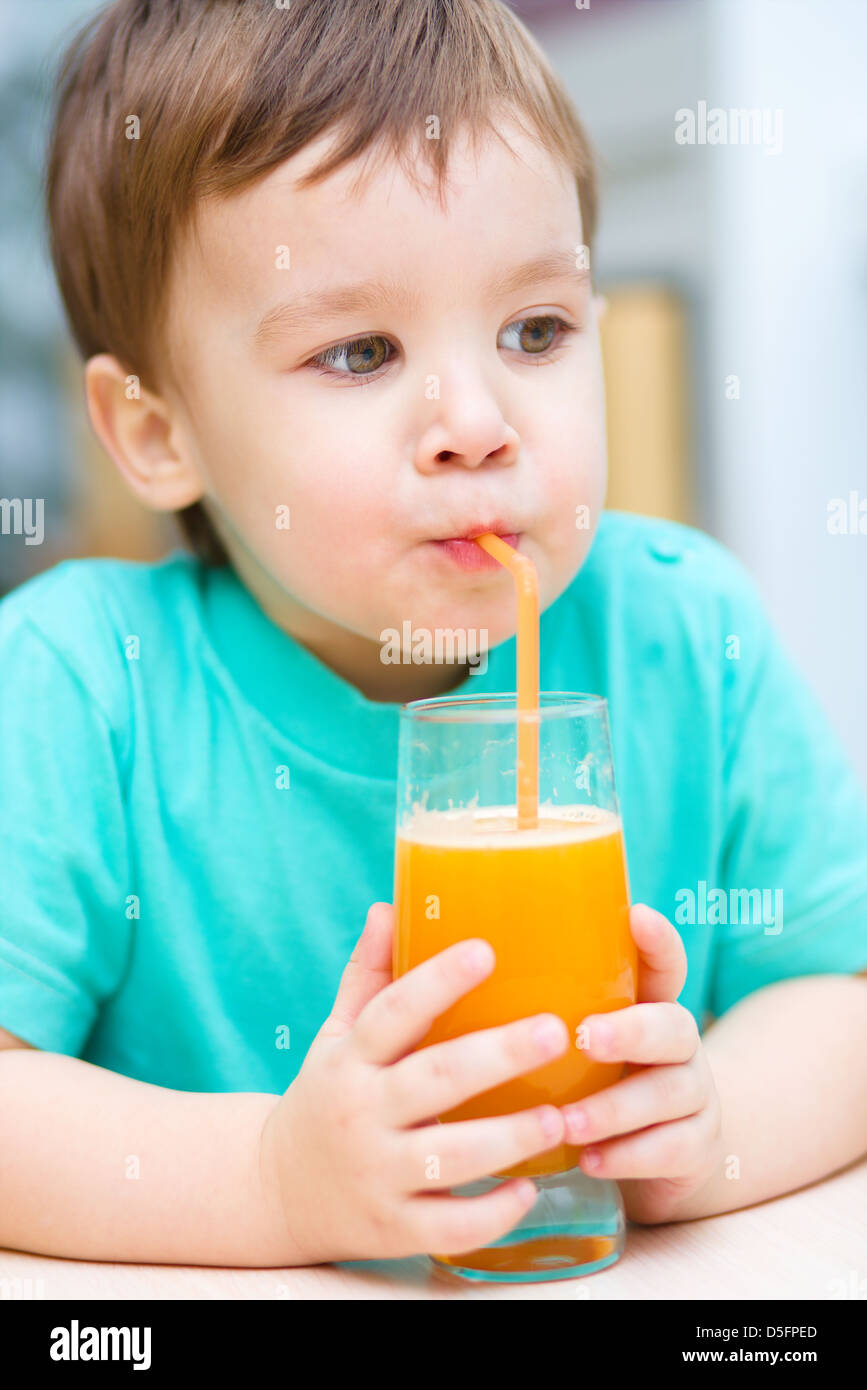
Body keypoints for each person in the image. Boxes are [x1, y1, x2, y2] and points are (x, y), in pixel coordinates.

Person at [1, 0, 865, 1267]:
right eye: (360, 351)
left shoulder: (686, 630)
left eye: (536, 331)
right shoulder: (80, 690)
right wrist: (270, 1181)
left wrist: (713, 1127)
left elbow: (839, 995)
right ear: (154, 430)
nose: (478, 420)